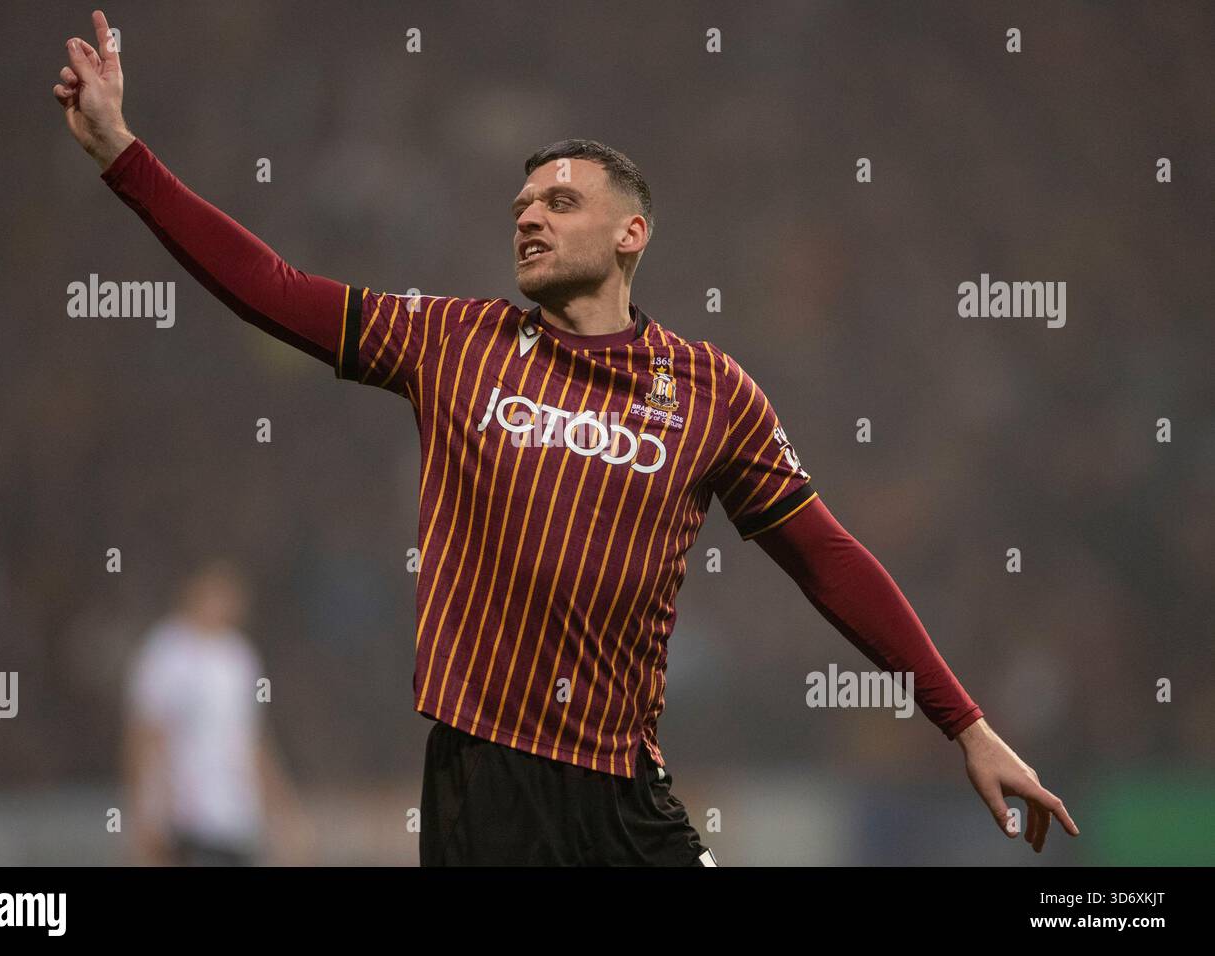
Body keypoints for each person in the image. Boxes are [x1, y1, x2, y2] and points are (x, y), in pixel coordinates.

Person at [58, 10, 1078, 865]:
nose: (529, 219)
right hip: (483, 785)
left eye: (559, 201)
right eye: (520, 207)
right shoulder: (452, 342)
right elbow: (269, 289)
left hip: (625, 790)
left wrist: (965, 721)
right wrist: (122, 155)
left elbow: (826, 558)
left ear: (631, 233)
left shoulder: (710, 389)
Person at [124, 559, 310, 865]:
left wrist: (282, 810)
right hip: (186, 818)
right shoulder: (165, 653)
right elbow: (143, 736)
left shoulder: (239, 657)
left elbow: (251, 741)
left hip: (236, 817)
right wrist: (145, 813)